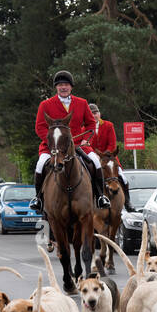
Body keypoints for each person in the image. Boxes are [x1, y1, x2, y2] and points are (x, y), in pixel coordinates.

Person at [30, 70, 110, 213]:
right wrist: (51, 142)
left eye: (66, 84)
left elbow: (91, 124)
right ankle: (38, 199)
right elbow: (39, 127)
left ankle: (100, 196)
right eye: (60, 85)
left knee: (96, 162)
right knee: (40, 165)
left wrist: (86, 139)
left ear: (71, 87)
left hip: (79, 145)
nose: (63, 87)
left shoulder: (82, 103)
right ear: (56, 87)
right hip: (53, 147)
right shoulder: (46, 104)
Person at [87, 102, 130, 190]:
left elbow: (112, 144)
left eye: (95, 113)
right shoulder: (84, 128)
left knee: (123, 178)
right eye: (91, 114)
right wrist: (95, 155)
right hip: (93, 158)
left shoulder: (109, 125)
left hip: (110, 158)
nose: (93, 116)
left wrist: (104, 156)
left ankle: (127, 201)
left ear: (99, 114)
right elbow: (87, 145)